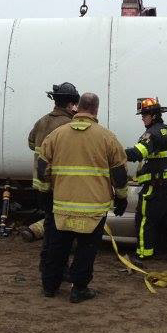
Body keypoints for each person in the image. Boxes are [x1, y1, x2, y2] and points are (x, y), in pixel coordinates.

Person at [36, 93, 129, 303]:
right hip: (93, 209)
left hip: (62, 205)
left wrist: (44, 193)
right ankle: (78, 289)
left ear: (77, 108)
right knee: (86, 250)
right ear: (96, 110)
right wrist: (122, 198)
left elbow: (42, 166)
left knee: (57, 247)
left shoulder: (57, 135)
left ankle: (49, 287)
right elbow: (120, 173)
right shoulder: (107, 138)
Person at [125, 97, 167, 265]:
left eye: (144, 115)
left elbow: (137, 153)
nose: (142, 118)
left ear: (153, 116)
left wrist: (116, 153)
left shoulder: (152, 133)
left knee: (146, 218)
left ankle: (143, 253)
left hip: (159, 185)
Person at [26, 82, 79, 239]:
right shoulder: (70, 125)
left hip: (41, 183)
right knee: (61, 222)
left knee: (49, 217)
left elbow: (30, 144)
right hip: (59, 184)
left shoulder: (41, 121)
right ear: (70, 105)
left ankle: (48, 248)